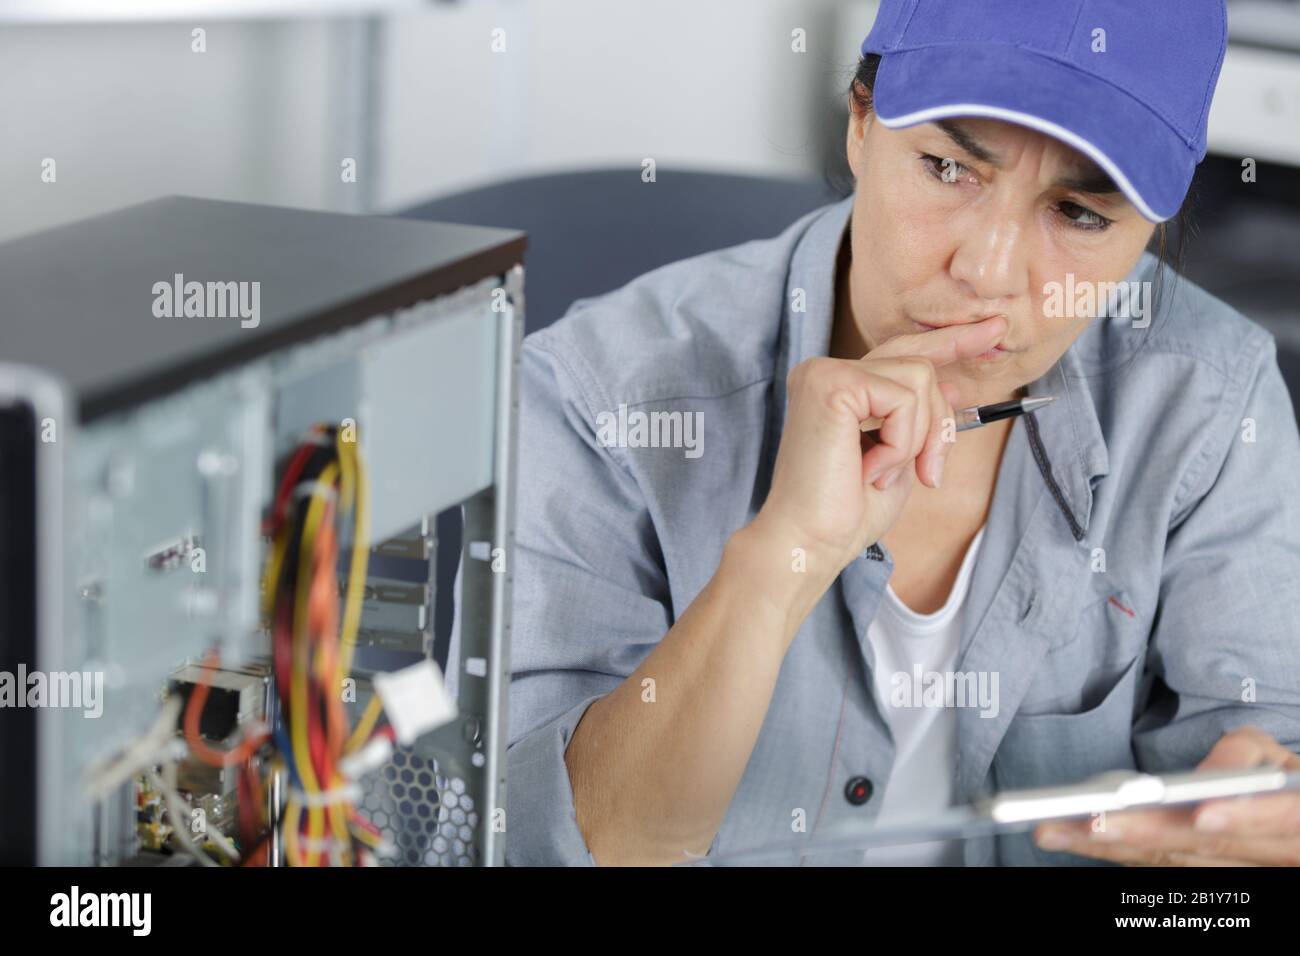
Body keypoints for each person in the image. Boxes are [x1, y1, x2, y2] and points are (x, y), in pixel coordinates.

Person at [449, 0, 1300, 865]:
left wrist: (1235, 861)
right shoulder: (600, 398)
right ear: (860, 125)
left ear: (1152, 227)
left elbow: (1253, 810)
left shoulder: (1213, 402)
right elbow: (572, 845)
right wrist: (782, 556)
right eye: (946, 168)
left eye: (1079, 214)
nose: (989, 272)